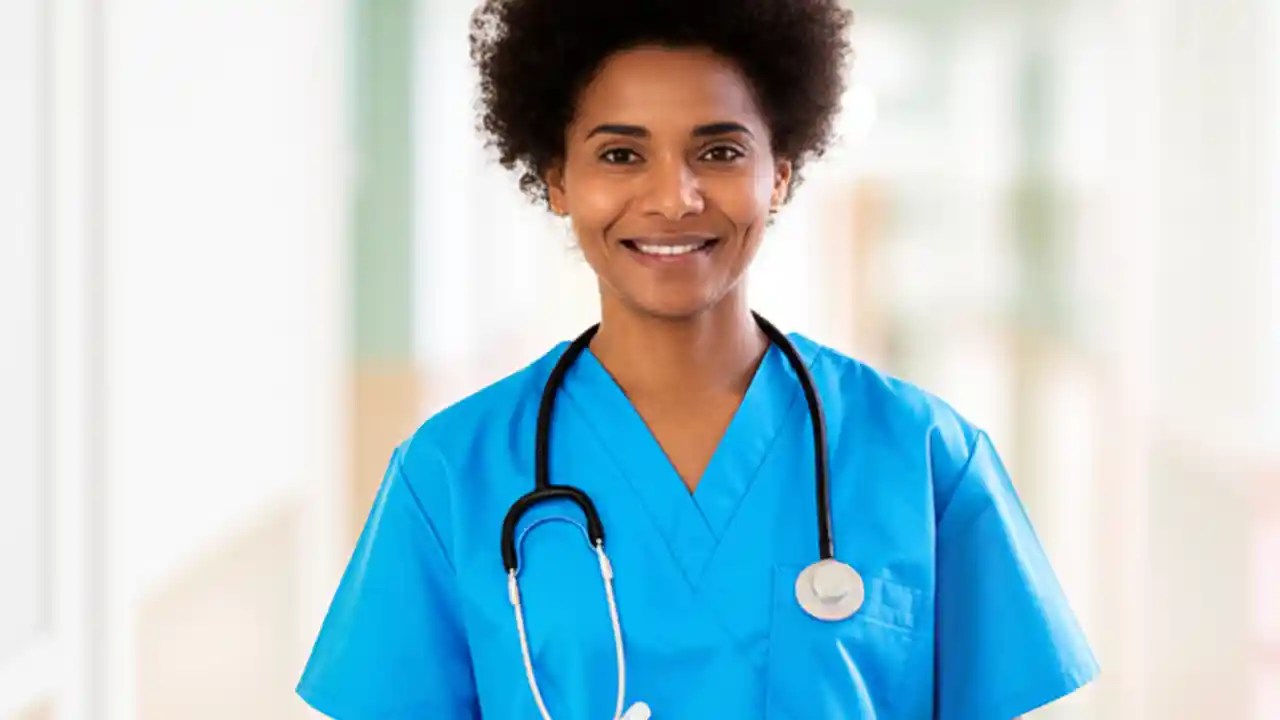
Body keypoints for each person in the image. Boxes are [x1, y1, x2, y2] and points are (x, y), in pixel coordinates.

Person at [297, 1, 1099, 717]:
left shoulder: (925, 458)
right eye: (620, 155)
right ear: (556, 180)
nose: (674, 197)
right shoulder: (451, 474)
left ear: (779, 175)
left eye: (718, 152)